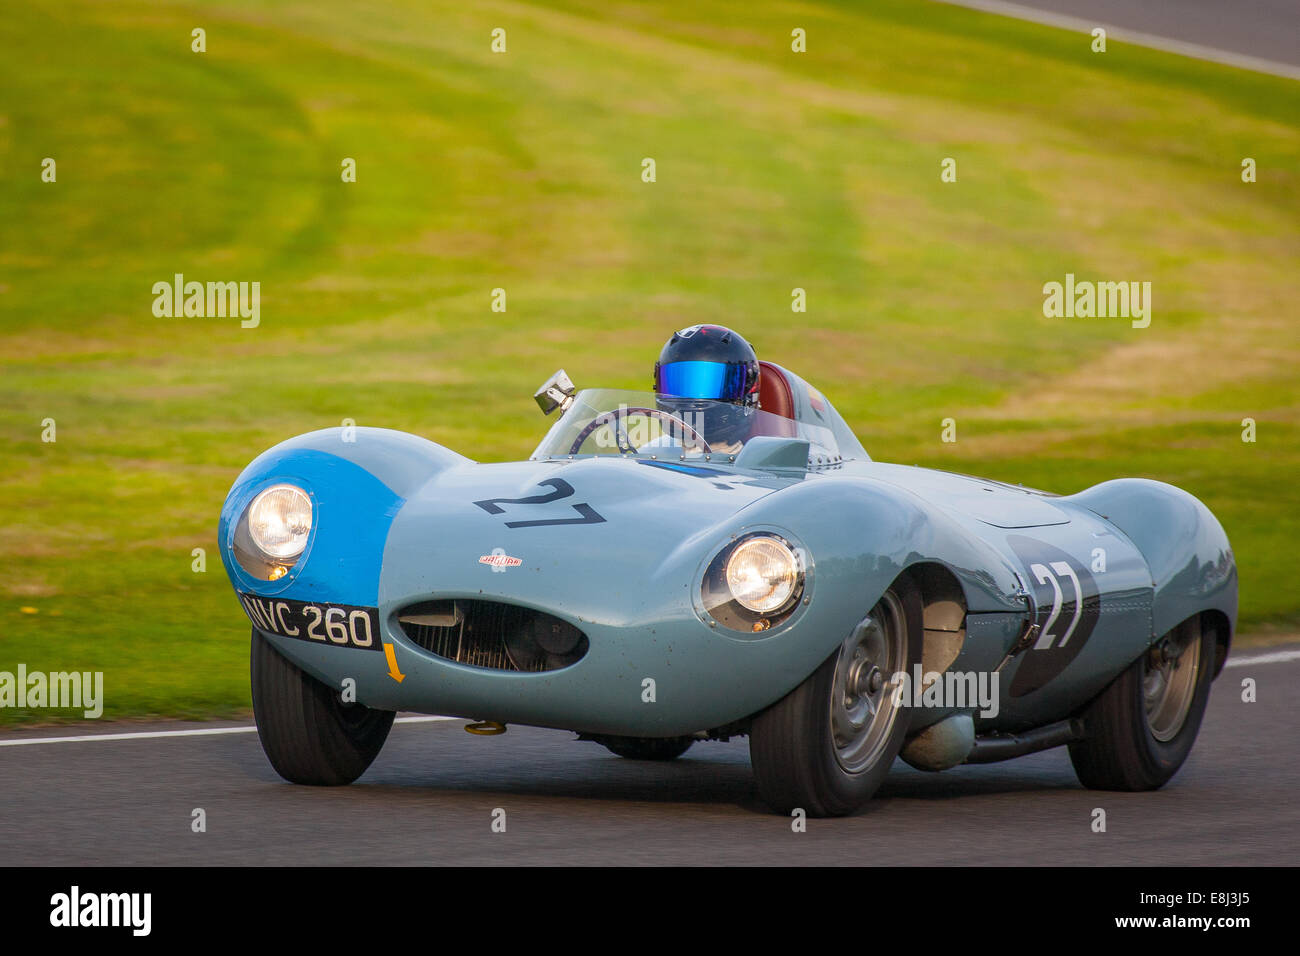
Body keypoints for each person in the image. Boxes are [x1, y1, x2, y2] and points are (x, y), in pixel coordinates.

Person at [652, 324, 761, 454]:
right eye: (676, 384)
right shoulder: (656, 452)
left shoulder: (760, 461)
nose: (690, 402)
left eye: (707, 383)